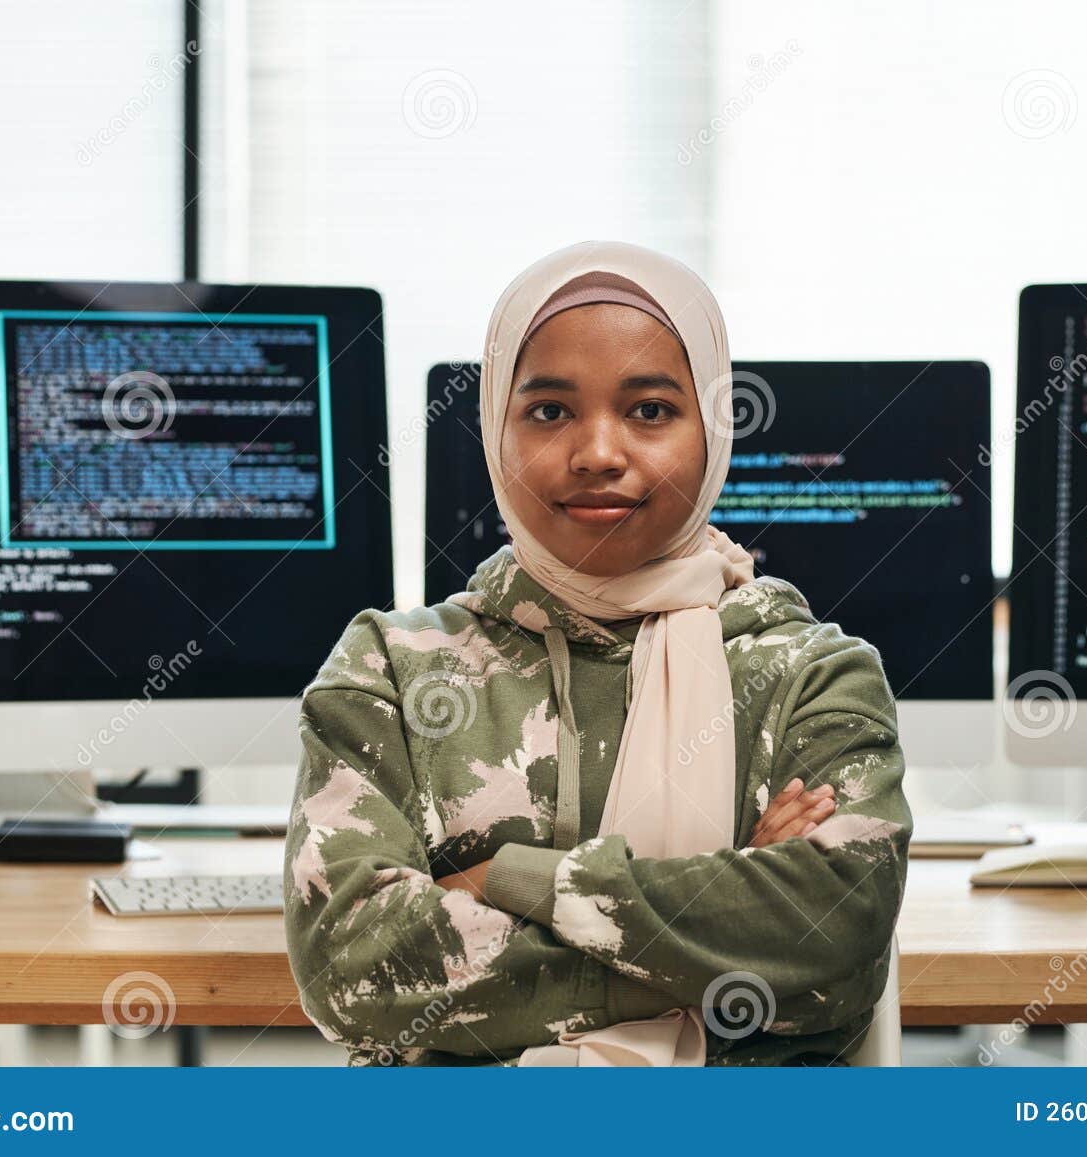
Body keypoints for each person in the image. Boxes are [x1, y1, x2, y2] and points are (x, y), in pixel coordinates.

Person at [283, 240, 910, 1066]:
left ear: (713, 427)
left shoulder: (816, 676)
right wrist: (724, 930)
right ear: (495, 432)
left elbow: (834, 946)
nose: (600, 453)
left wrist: (509, 878)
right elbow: (353, 971)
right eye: (549, 411)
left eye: (650, 410)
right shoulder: (390, 668)